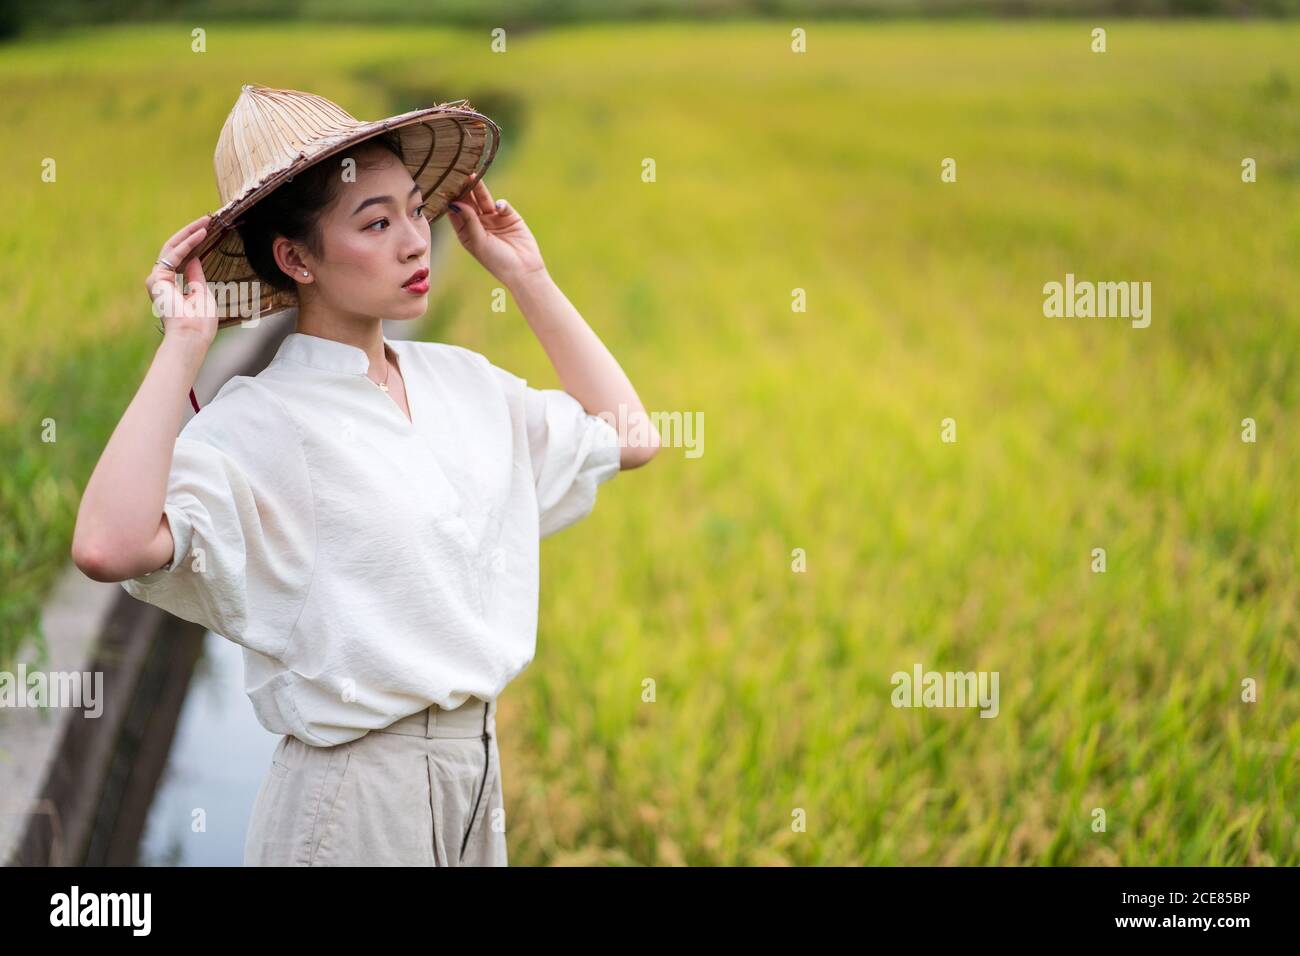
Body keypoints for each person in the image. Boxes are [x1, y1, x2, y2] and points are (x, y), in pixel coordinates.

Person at [71, 85, 661, 866]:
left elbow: (630, 437)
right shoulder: (264, 420)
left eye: (416, 210)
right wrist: (183, 344)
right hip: (352, 804)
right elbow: (109, 547)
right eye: (376, 223)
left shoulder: (464, 383)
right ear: (296, 258)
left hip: (474, 780)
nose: (416, 242)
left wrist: (528, 278)